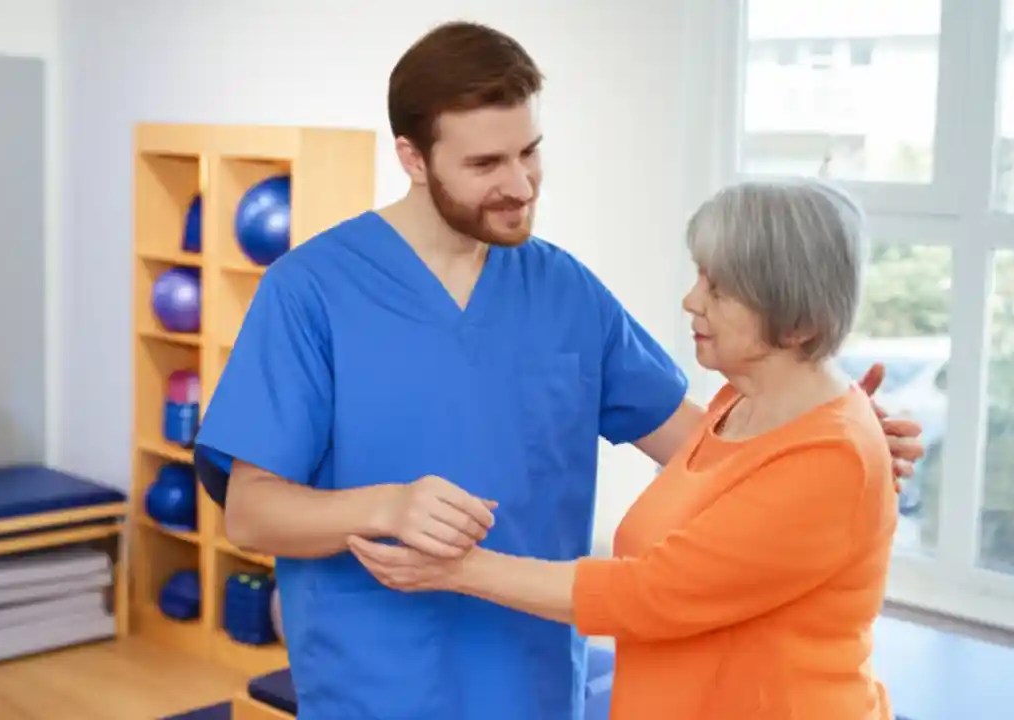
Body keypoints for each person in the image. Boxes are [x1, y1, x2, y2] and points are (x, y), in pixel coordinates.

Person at [193, 20, 922, 720]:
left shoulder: (565, 291)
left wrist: (822, 435)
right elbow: (253, 510)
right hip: (377, 687)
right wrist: (382, 507)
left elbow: (698, 451)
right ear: (413, 159)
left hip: (534, 685)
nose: (521, 185)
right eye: (485, 165)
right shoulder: (311, 291)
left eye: (530, 152)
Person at [350, 178, 899, 719]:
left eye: (719, 290)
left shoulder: (832, 456)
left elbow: (650, 594)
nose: (691, 301)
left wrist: (456, 570)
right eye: (700, 278)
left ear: (799, 323)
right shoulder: (738, 406)